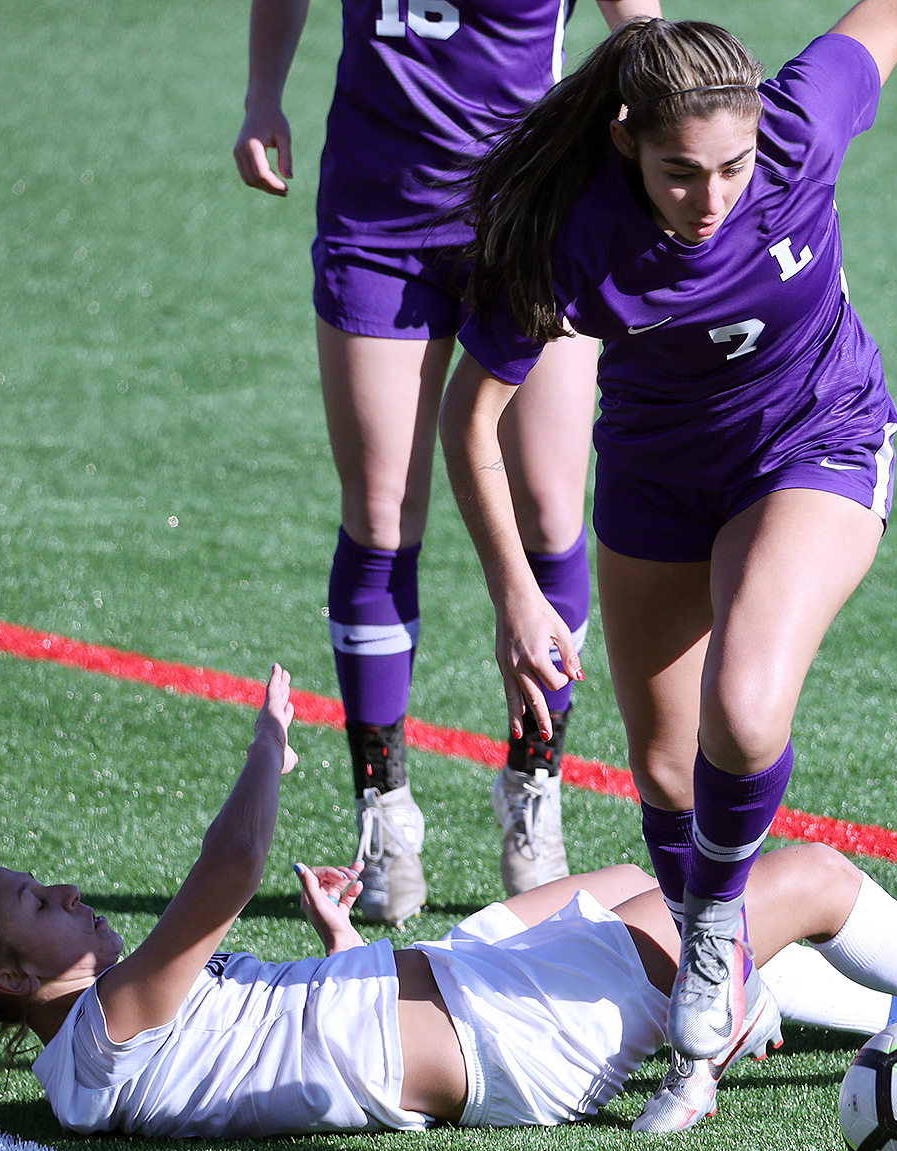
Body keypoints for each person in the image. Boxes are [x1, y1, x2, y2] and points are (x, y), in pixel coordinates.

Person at [438, 1, 897, 1076]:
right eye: (680, 173)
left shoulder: (800, 126)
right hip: (658, 480)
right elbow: (469, 418)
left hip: (819, 440)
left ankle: (720, 954)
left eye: (732, 166)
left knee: (745, 713)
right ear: (624, 137)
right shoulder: (568, 233)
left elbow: (896, 20)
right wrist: (517, 597)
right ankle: (773, 997)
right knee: (668, 776)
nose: (710, 198)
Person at [0, 667, 897, 1137]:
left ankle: (864, 983)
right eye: (33, 902)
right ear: (6, 978)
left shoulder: (103, 1048)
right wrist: (264, 755)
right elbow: (220, 884)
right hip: (508, 1040)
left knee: (673, 888)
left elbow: (288, 1045)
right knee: (800, 879)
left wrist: (347, 941)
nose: (58, 891)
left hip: (466, 990)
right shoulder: (99, 1032)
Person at [232, 0, 664, 920]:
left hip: (532, 220)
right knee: (382, 514)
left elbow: (643, 35)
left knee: (551, 512)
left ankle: (532, 788)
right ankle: (384, 807)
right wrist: (263, 94)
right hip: (378, 220)